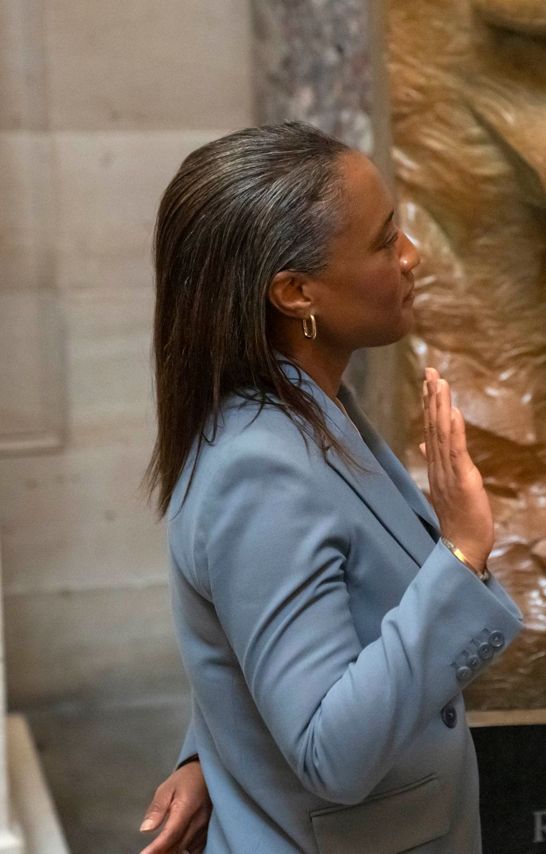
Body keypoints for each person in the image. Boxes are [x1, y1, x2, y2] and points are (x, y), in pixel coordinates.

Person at [134, 121, 523, 853]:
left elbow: (257, 638)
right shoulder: (263, 466)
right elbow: (330, 751)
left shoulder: (306, 406)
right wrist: (463, 554)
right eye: (384, 241)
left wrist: (211, 749)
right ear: (293, 290)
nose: (412, 256)